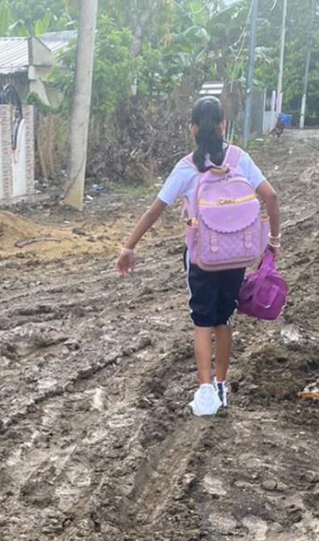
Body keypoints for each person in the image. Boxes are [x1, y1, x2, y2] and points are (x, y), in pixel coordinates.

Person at [116, 97, 281, 417]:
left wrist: (129, 246)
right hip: (237, 257)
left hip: (202, 259)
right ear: (223, 126)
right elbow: (271, 197)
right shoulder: (239, 158)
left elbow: (155, 210)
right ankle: (221, 384)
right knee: (224, 318)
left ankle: (205, 392)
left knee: (202, 321)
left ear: (192, 129)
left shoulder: (187, 167)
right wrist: (272, 242)